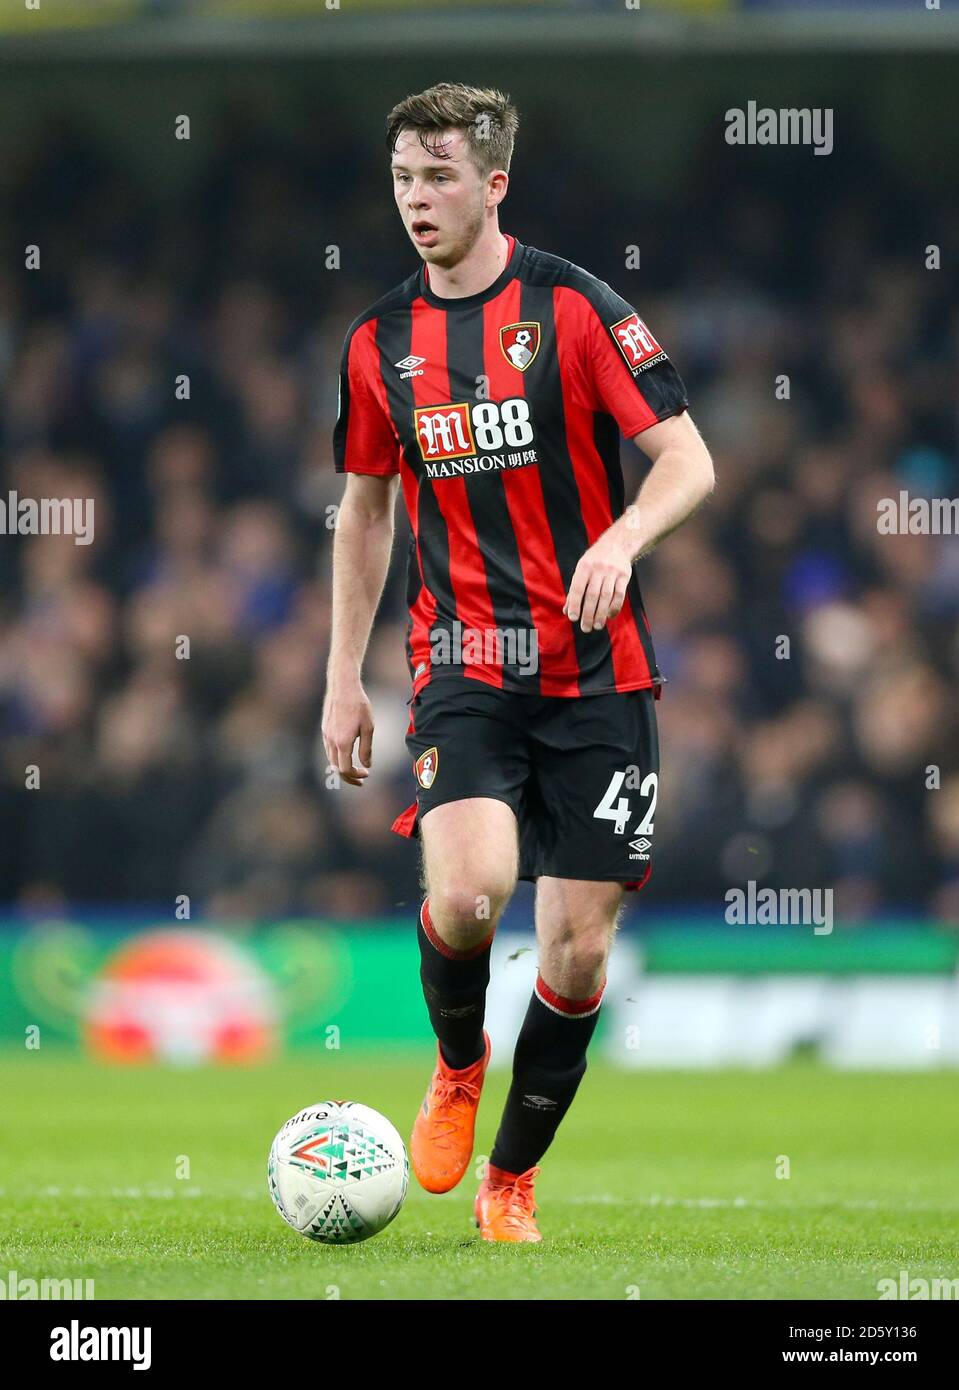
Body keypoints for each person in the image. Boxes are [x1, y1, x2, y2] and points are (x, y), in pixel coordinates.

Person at [323, 81, 715, 1242]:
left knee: (580, 949)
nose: (415, 199)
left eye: (438, 176)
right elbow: (362, 512)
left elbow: (686, 459)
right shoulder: (379, 342)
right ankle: (455, 1062)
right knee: (467, 890)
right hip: (465, 660)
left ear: (495, 183)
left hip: (598, 671)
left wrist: (624, 533)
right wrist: (344, 676)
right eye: (402, 177)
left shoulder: (575, 310)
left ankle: (510, 1179)